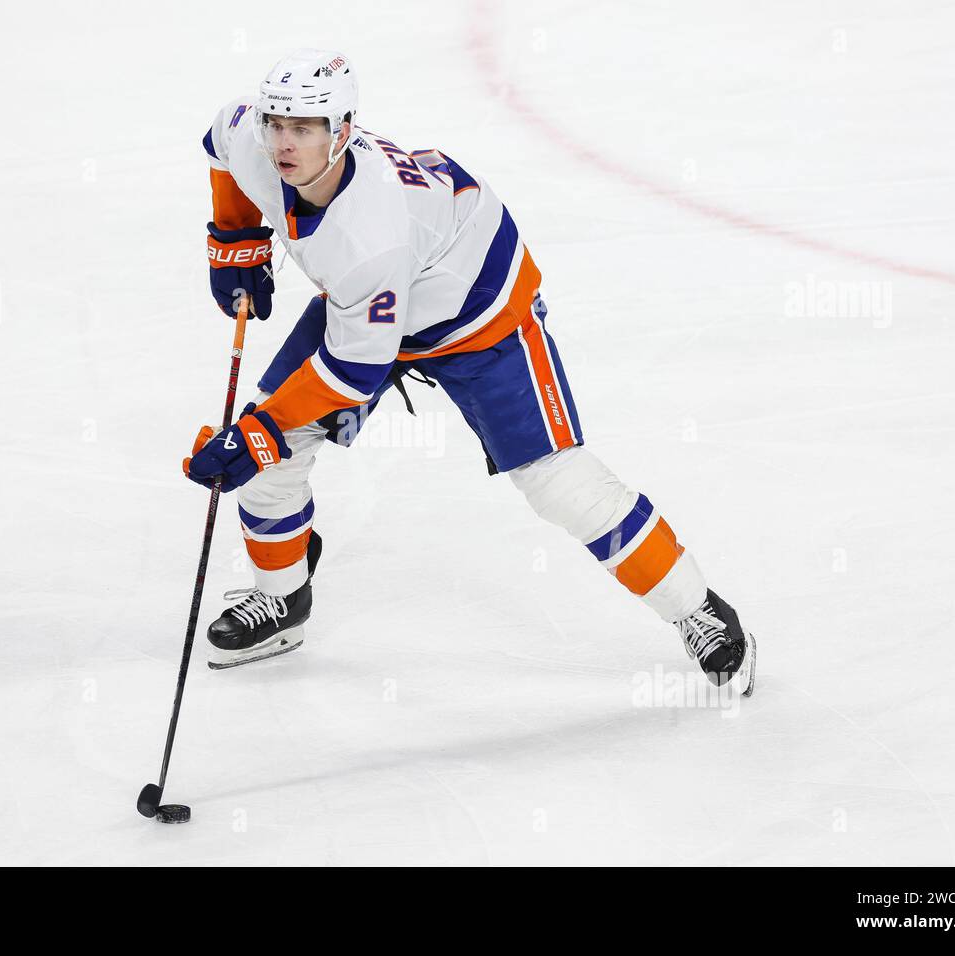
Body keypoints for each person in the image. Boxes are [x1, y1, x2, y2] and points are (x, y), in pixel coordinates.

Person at [184, 48, 756, 694]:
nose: (283, 141)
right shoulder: (253, 139)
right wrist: (234, 239)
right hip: (369, 307)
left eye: (305, 127)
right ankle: (282, 600)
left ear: (342, 131)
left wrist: (256, 430)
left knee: (558, 483)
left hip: (478, 313)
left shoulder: (372, 234)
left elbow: (351, 372)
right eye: (277, 122)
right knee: (274, 456)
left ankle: (696, 607)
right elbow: (218, 139)